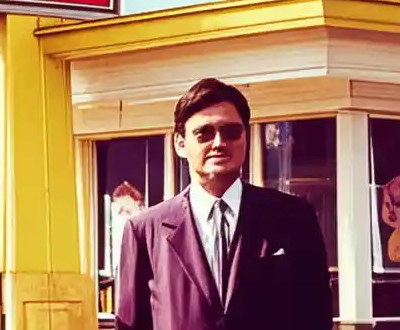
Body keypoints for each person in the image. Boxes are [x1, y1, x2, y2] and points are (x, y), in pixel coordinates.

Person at [115, 78, 333, 329]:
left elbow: (316, 317)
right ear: (180, 143)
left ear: (245, 138)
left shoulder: (294, 218)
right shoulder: (144, 231)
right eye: (204, 133)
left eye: (231, 132)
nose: (219, 142)